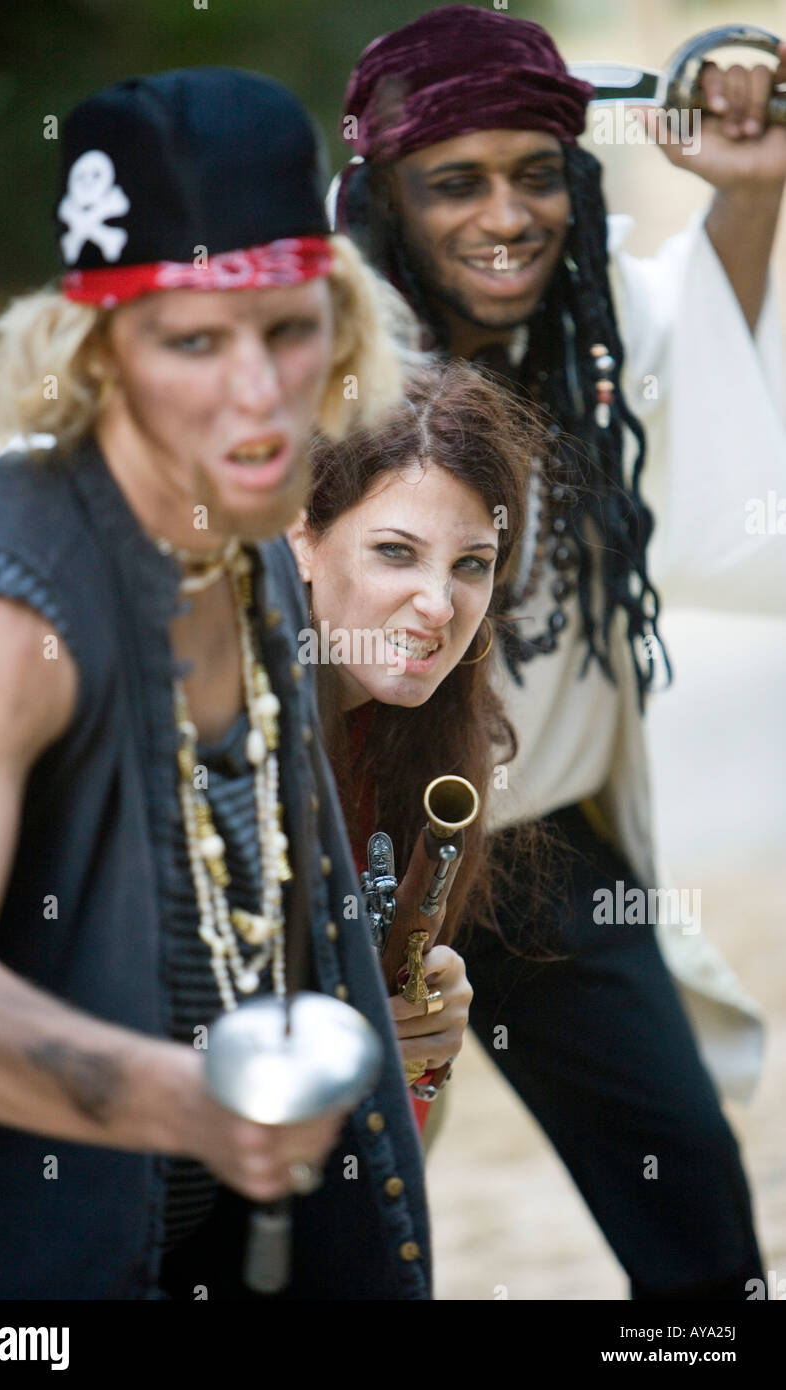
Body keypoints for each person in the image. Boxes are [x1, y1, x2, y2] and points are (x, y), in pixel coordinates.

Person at [0, 66, 432, 1301]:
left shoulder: (240, 534)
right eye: (192, 341)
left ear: (342, 320)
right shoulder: (0, 598)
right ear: (98, 354)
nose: (256, 397)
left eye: (288, 328)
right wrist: (189, 1101)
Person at [334, 5, 786, 1299]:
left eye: (537, 172)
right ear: (384, 195)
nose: (507, 213)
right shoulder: (323, 363)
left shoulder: (598, 329)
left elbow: (709, 375)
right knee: (342, 1220)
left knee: (694, 1203)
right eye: (455, 182)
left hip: (540, 848)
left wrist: (748, 195)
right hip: (347, 845)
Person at [290, 358, 543, 1130]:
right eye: (395, 552)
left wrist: (426, 1021)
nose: (438, 605)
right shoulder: (209, 726)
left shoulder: (417, 737)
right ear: (301, 534)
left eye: (472, 565)